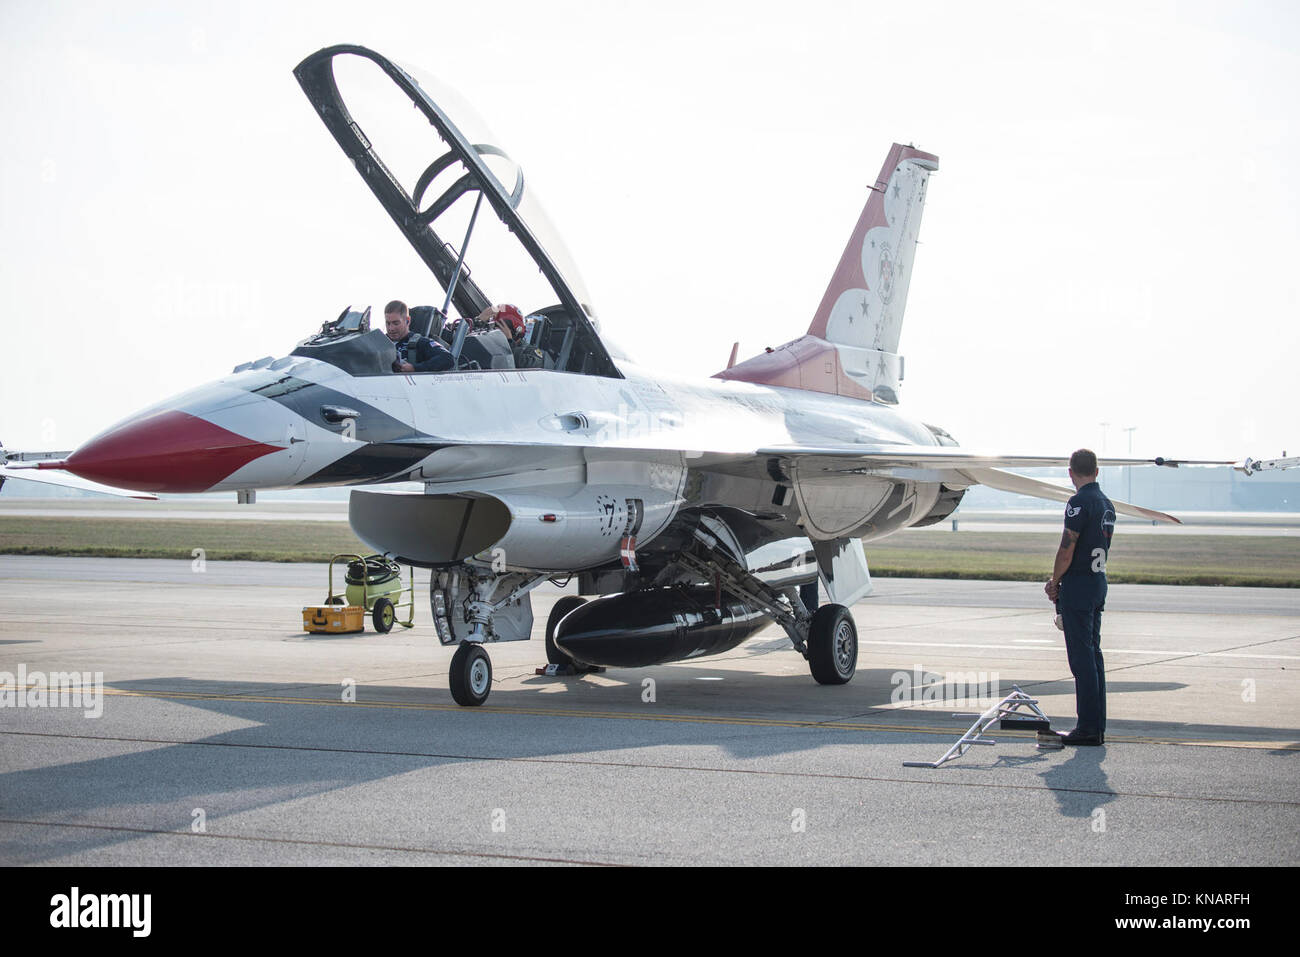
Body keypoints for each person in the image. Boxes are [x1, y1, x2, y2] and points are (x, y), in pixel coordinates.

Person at [1044, 448, 1115, 746]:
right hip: (1098, 581)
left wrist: (1054, 581)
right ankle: (1096, 725)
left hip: (1079, 585)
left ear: (1070, 473)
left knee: (1082, 660)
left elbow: (1067, 549)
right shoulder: (1106, 503)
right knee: (1094, 657)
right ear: (1097, 472)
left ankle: (1086, 728)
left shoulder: (1078, 503)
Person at [384, 300, 454, 373]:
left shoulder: (421, 343)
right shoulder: (379, 343)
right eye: (388, 323)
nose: (391, 328)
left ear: (407, 321)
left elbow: (447, 358)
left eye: (396, 323)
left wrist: (415, 368)